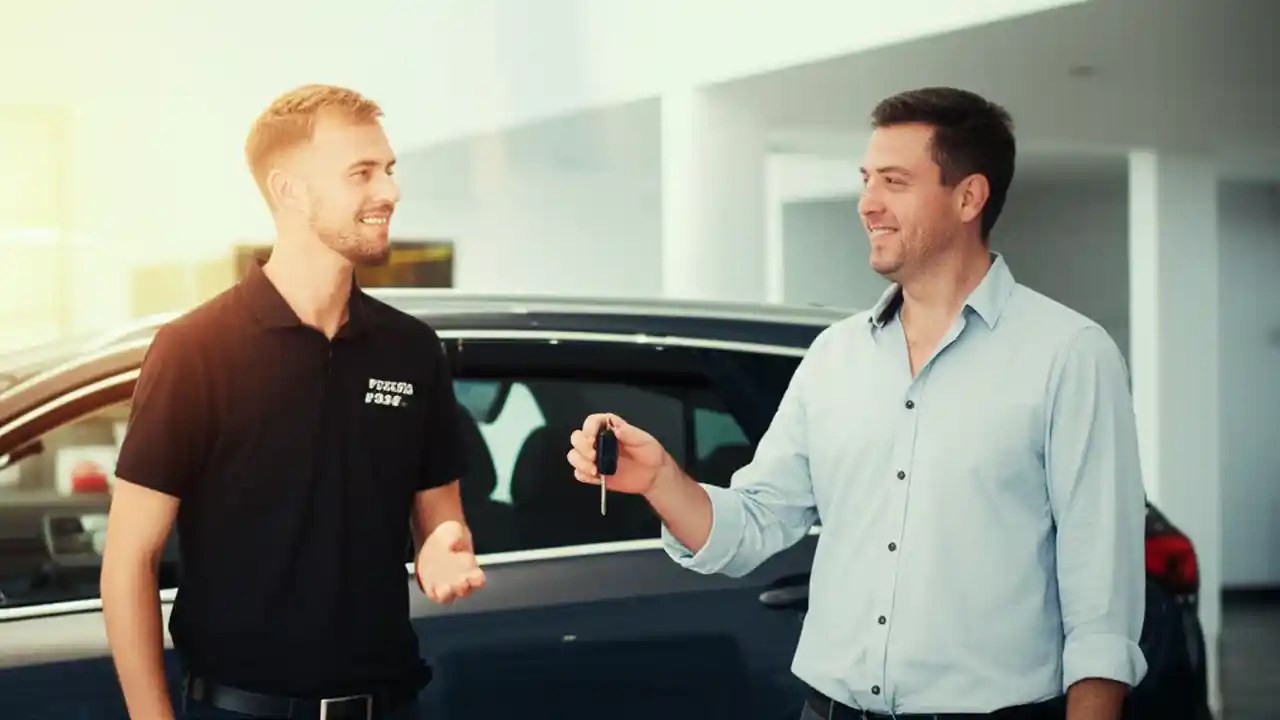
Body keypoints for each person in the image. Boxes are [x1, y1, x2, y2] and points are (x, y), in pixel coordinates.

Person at [566, 87, 1147, 720]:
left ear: (968, 197)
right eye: (866, 180)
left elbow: (1102, 600)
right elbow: (757, 523)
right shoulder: (833, 357)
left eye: (894, 182)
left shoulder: (1069, 354)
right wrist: (660, 480)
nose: (867, 204)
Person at [101, 84, 486, 720]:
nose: (388, 192)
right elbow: (128, 560)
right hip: (241, 711)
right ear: (289, 191)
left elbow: (442, 518)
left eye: (388, 170)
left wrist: (445, 544)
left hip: (389, 708)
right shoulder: (195, 350)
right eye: (361, 173)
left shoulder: (411, 350)